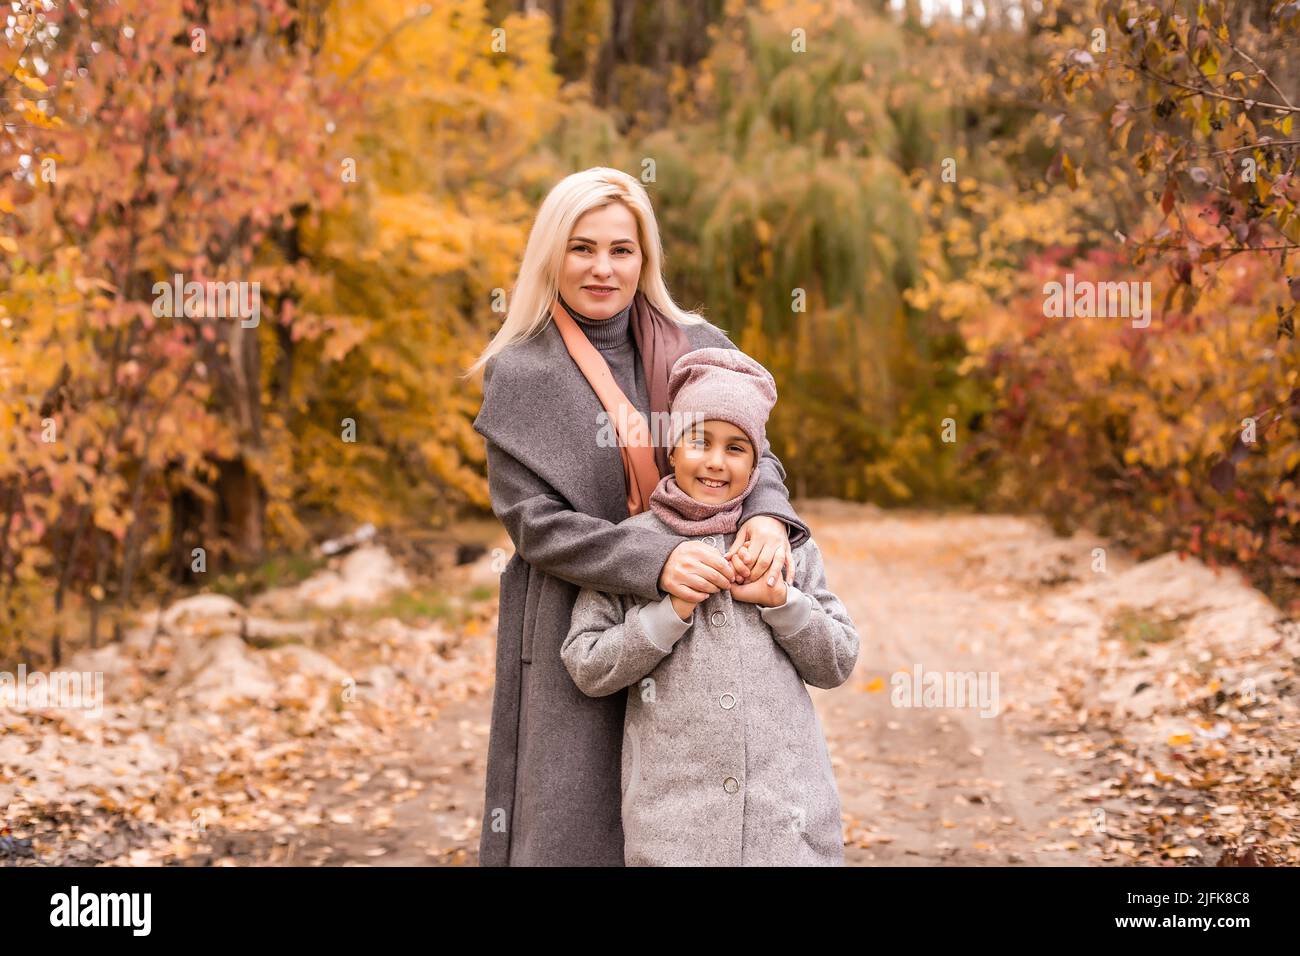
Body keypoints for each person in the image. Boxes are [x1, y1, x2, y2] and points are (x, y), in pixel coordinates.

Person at [467, 167, 811, 866]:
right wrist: (653, 562)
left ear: (644, 258)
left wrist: (770, 517)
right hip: (576, 617)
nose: (602, 268)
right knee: (577, 829)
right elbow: (534, 526)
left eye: (621, 250)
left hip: (707, 623)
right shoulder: (520, 371)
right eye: (581, 247)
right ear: (550, 255)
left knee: (700, 824)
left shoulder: (700, 343)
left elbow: (757, 454)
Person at [561, 347, 860, 865]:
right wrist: (665, 614)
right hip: (674, 830)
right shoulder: (634, 547)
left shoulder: (784, 546)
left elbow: (838, 661)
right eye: (699, 440)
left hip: (785, 823)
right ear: (673, 449)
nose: (716, 461)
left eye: (737, 447)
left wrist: (783, 603)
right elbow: (586, 663)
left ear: (757, 461)